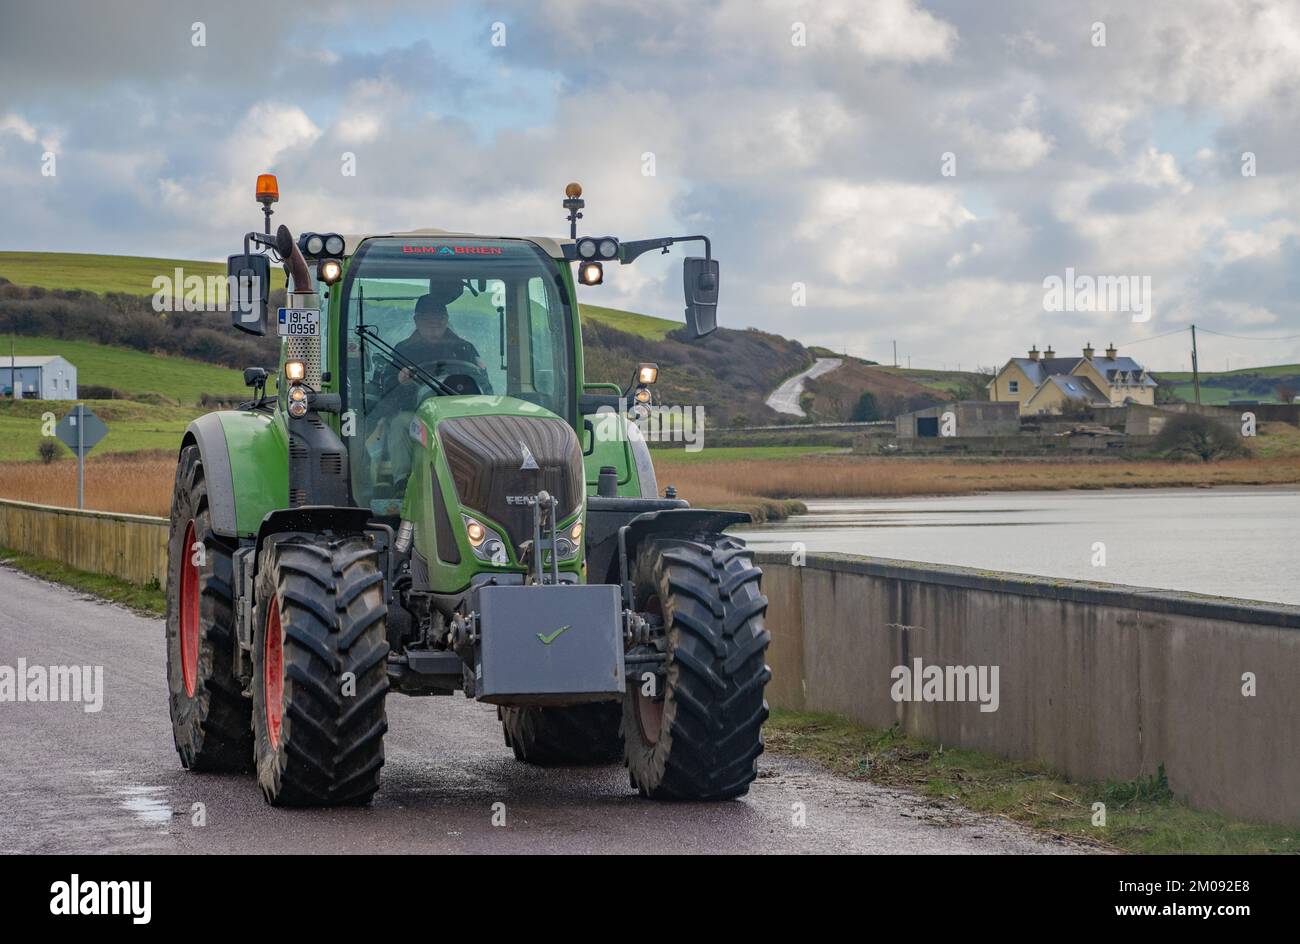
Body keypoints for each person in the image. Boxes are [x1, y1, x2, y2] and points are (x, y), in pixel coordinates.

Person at [378, 281, 488, 485]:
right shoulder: (403, 350)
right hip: (417, 415)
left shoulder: (465, 349)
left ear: (446, 319)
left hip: (461, 415)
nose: (434, 322)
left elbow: (484, 386)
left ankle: (480, 480)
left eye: (439, 318)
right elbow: (386, 389)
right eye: (427, 318)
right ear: (416, 321)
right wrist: (399, 381)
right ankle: (402, 482)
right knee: (398, 424)